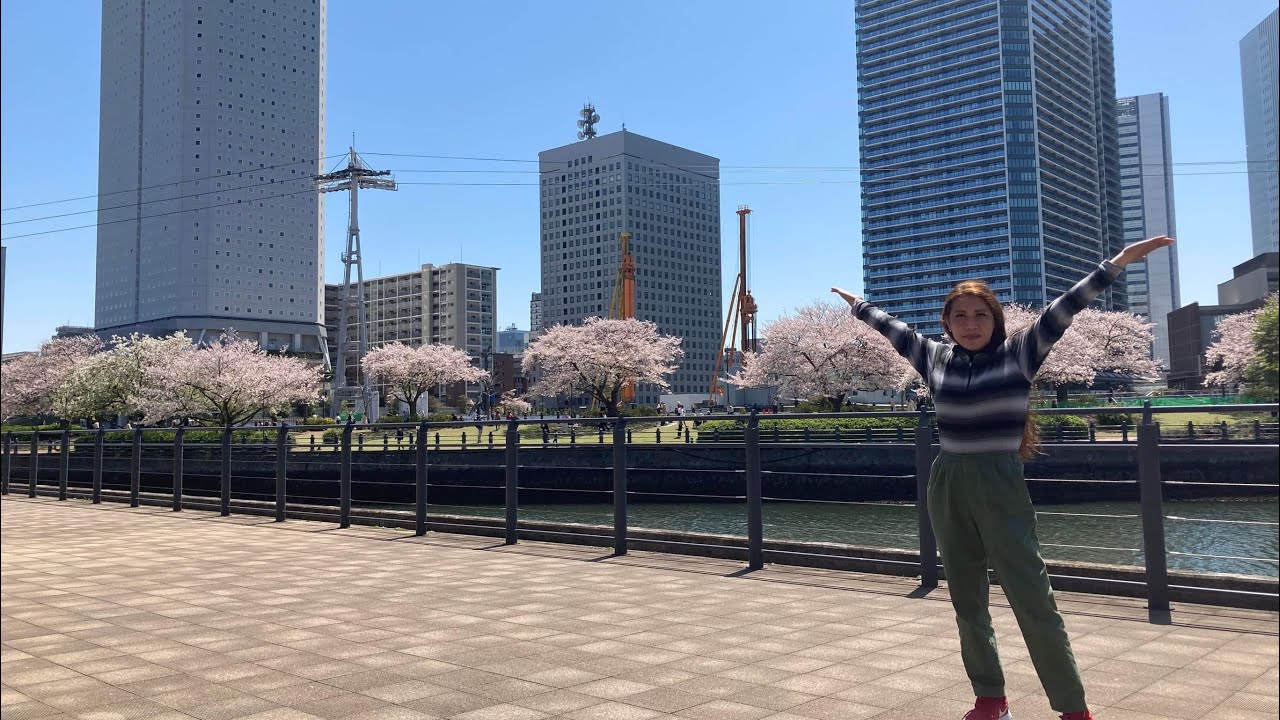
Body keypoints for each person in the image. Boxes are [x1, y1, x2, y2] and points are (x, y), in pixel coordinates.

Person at [832, 235, 1174, 720]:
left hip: (999, 481)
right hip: (948, 482)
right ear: (946, 323)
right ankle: (990, 699)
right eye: (960, 316)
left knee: (1032, 597)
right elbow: (892, 328)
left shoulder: (1020, 354)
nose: (970, 325)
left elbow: (1066, 307)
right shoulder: (933, 358)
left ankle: (1073, 708)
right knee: (966, 598)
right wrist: (856, 304)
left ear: (996, 319)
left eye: (980, 315)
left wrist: (1116, 263)